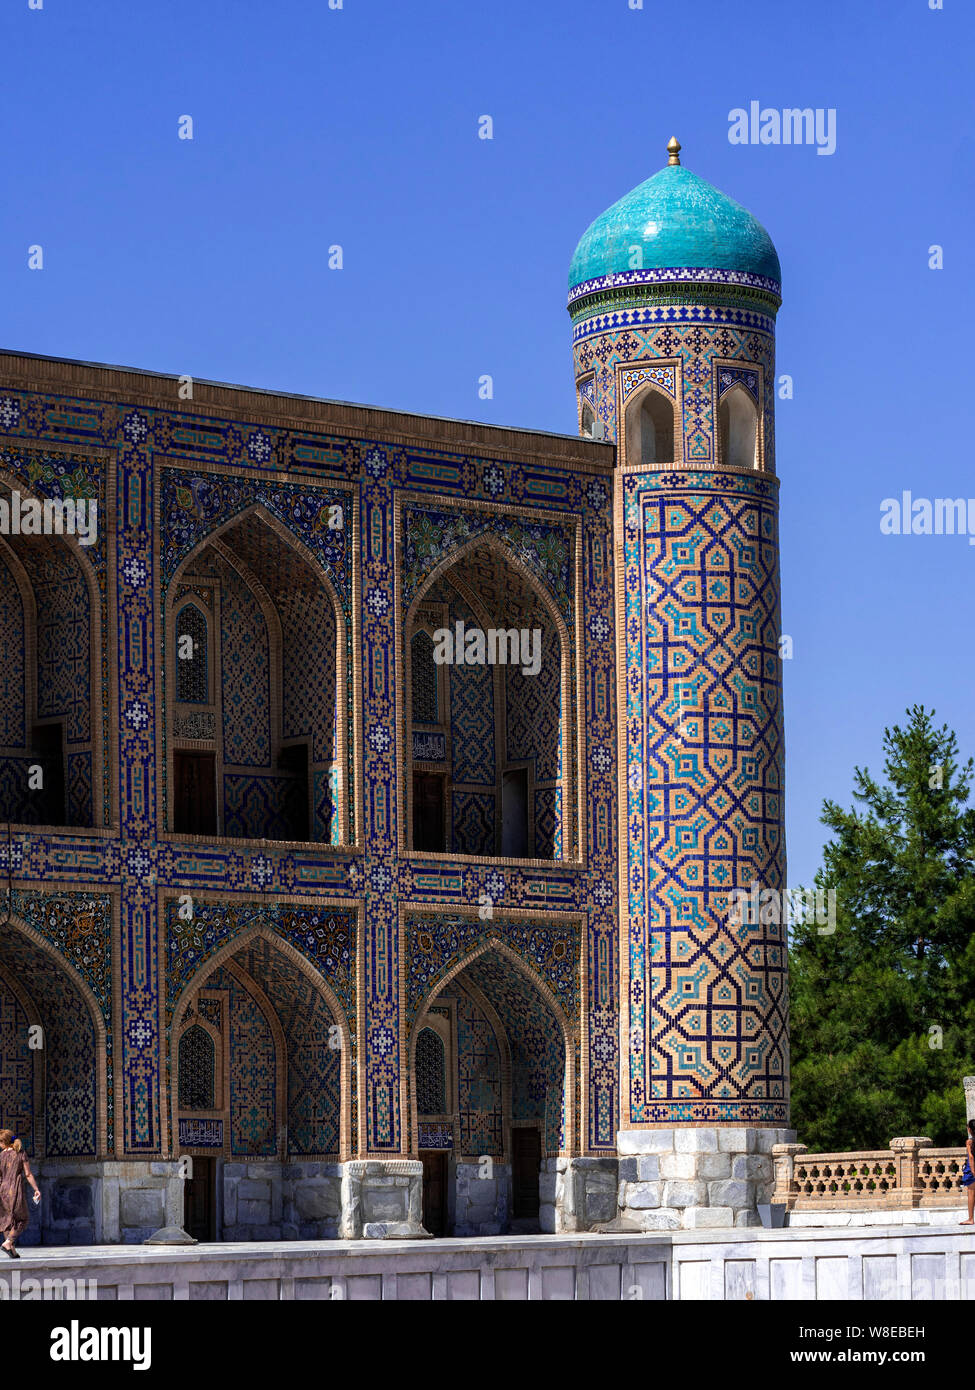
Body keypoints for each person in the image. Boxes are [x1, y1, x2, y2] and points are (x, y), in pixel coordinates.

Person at [0, 1130, 41, 1257]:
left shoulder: (1, 1155)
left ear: (4, 1142)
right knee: (23, 1219)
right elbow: (28, 1174)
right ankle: (8, 1242)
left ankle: (11, 1249)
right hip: (15, 1189)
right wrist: (36, 1189)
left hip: (2, 1190)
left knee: (7, 1220)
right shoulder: (20, 1153)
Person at [961, 1119, 975, 1226]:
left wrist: (973, 1171)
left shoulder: (970, 1142)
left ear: (970, 1130)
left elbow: (971, 1157)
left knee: (971, 1194)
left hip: (972, 1170)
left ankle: (971, 1219)